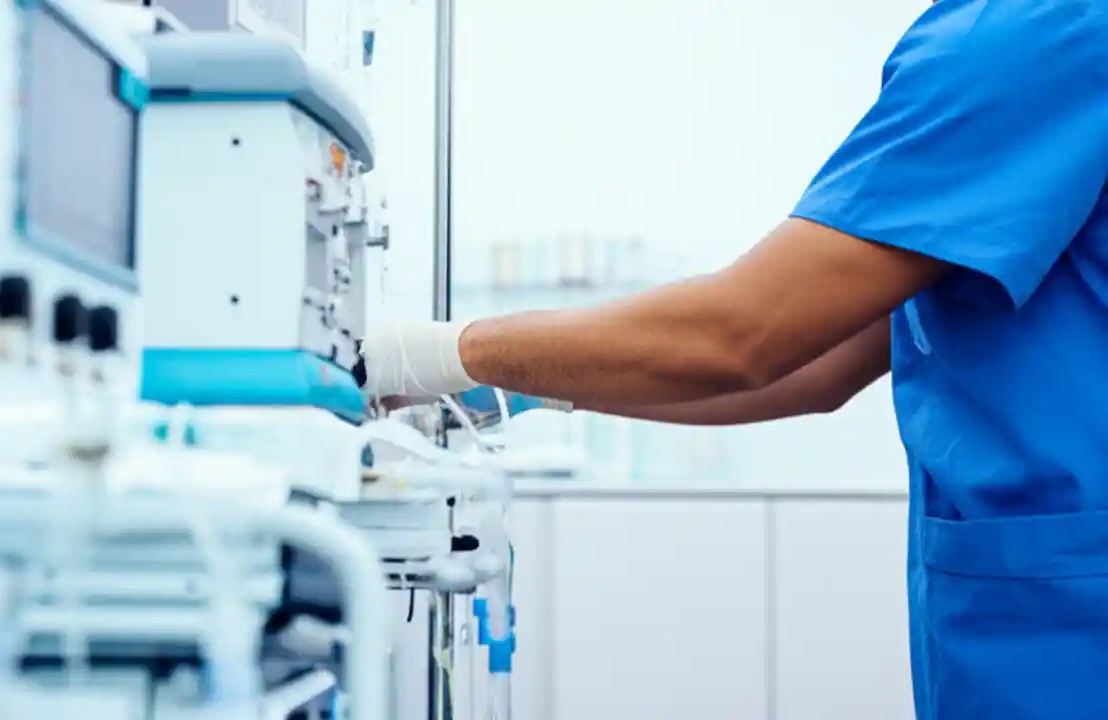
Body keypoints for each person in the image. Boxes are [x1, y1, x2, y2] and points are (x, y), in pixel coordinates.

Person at [360, 0, 1108, 717]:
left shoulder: (1037, 28)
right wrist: (525, 387)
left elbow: (745, 334)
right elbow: (818, 360)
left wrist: (431, 354)